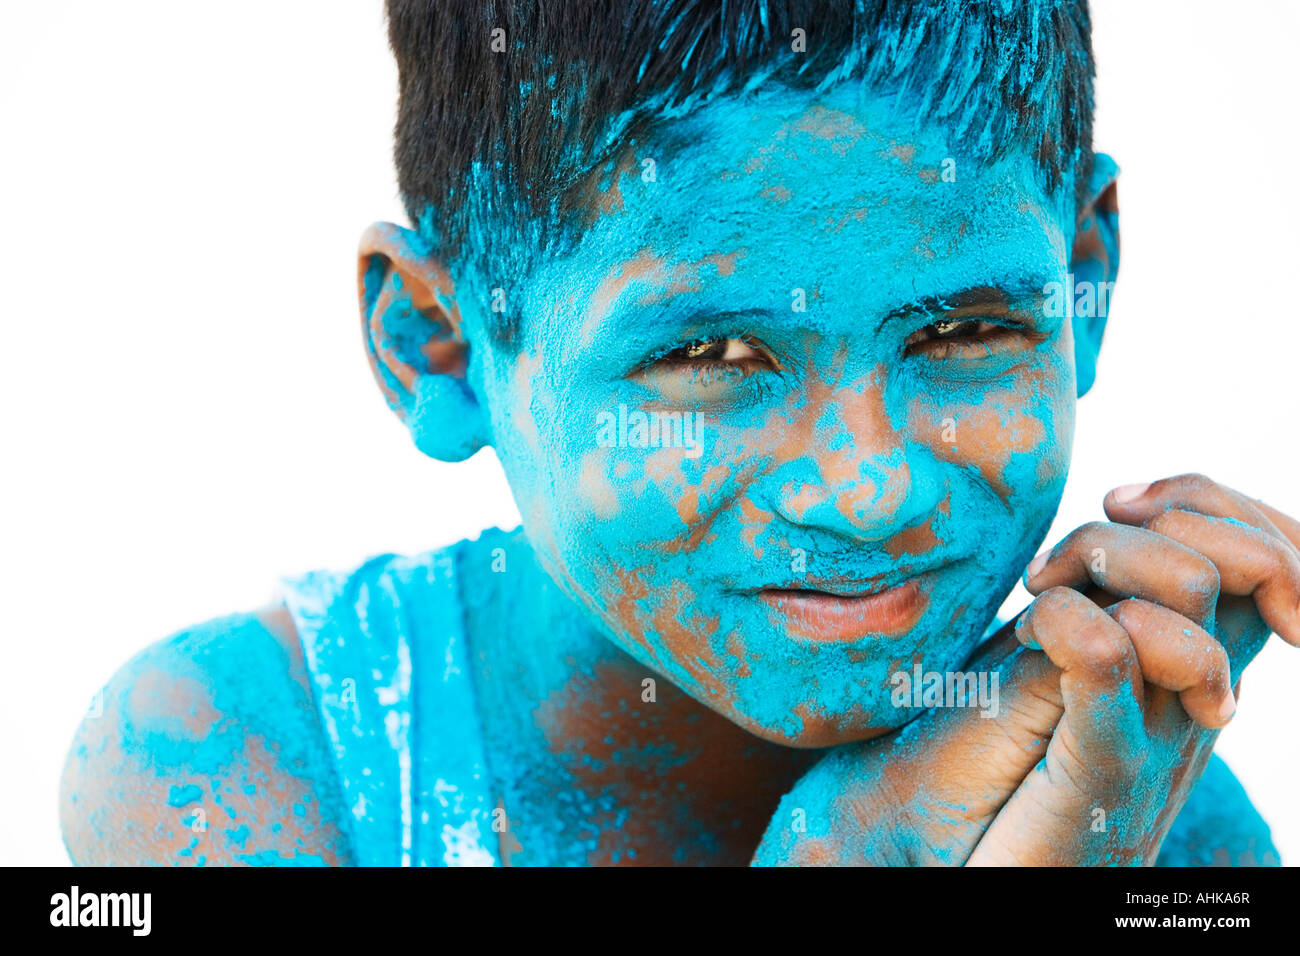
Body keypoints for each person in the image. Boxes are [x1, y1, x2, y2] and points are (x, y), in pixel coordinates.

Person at [60, 0, 1295, 866]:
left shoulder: (1138, 809)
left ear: (1081, 274)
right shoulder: (248, 752)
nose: (863, 489)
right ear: (440, 345)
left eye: (965, 335)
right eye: (707, 358)